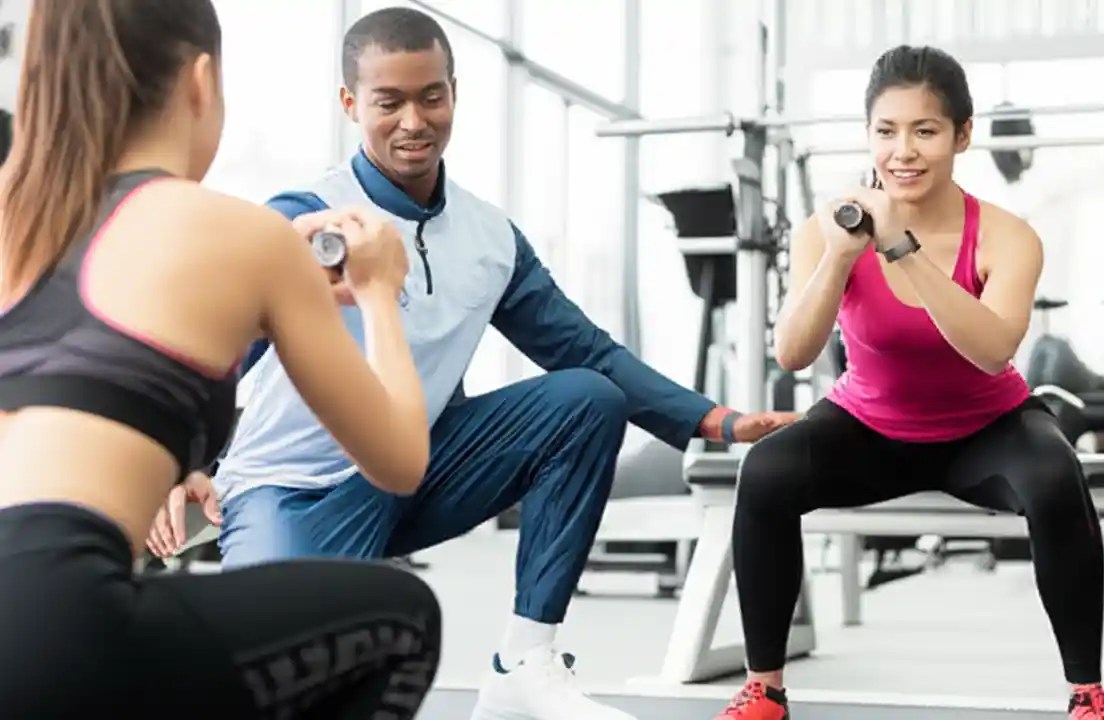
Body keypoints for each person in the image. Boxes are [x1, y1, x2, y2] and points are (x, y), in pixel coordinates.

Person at [144, 6, 798, 720]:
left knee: (583, 398)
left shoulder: (489, 237)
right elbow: (223, 344)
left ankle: (524, 660)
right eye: (388, 102)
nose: (414, 121)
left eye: (432, 96)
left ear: (454, 91)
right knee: (279, 686)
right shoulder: (307, 213)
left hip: (418, 470)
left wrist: (717, 421)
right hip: (295, 487)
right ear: (350, 104)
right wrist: (177, 457)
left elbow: (586, 350)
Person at [0, 2, 443, 718]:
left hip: (37, 613)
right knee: (401, 618)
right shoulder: (241, 233)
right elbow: (400, 461)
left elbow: (78, 384)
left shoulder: (16, 215)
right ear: (202, 82)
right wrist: (380, 293)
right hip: (52, 622)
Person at [712, 45, 1104, 720]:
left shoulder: (1007, 236)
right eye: (886, 130)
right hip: (869, 426)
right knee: (766, 472)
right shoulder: (827, 228)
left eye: (925, 131)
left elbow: (992, 352)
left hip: (988, 428)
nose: (903, 151)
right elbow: (791, 353)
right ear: (868, 133)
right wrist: (840, 258)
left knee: (1054, 476)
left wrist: (903, 248)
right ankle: (766, 689)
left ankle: (1088, 694)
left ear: (962, 135)